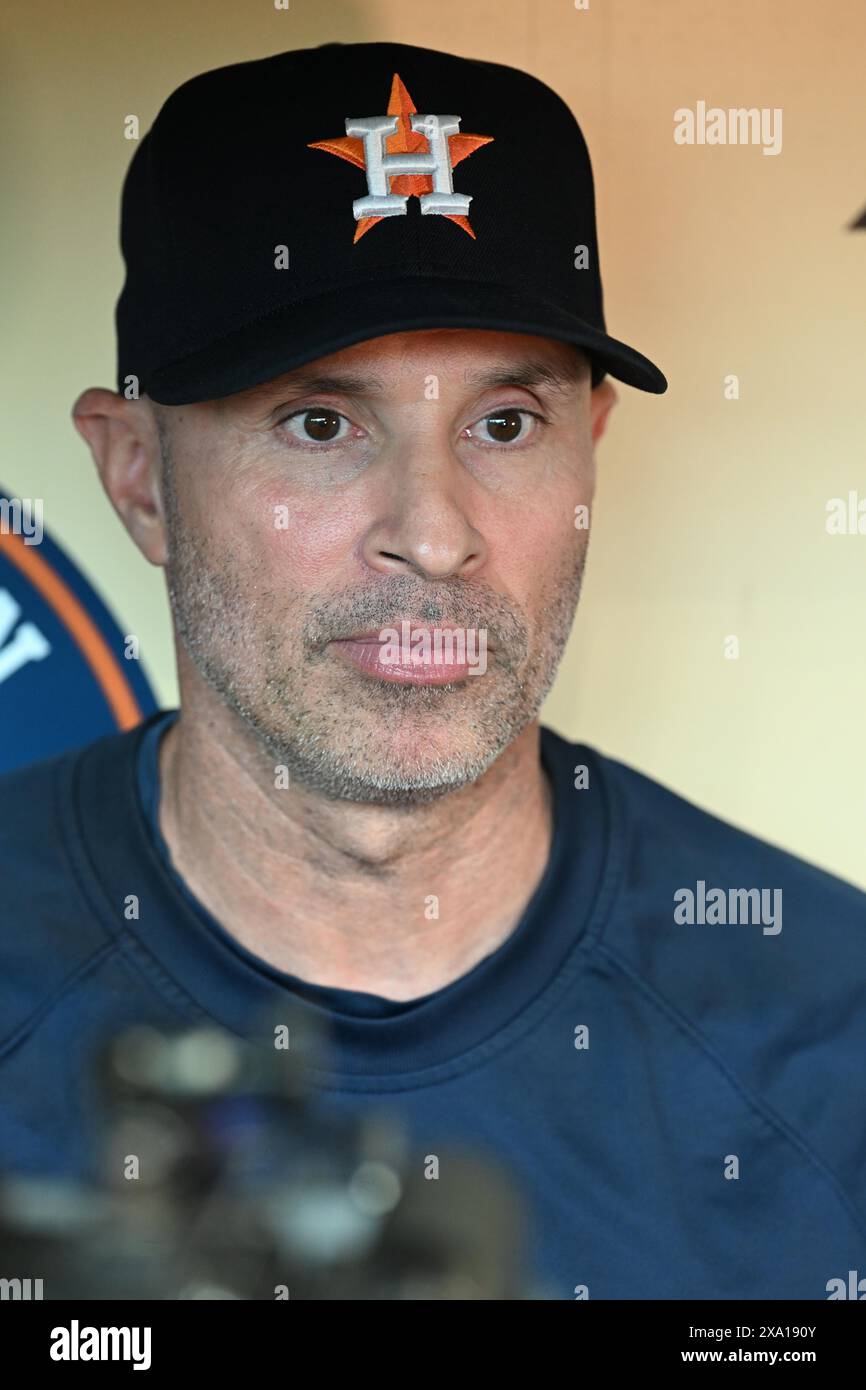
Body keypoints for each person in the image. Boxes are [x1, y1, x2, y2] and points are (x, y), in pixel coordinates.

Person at [1, 41, 864, 1300]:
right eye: (319, 422)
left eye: (504, 424)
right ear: (138, 476)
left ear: (590, 449)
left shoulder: (830, 1034)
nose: (436, 531)